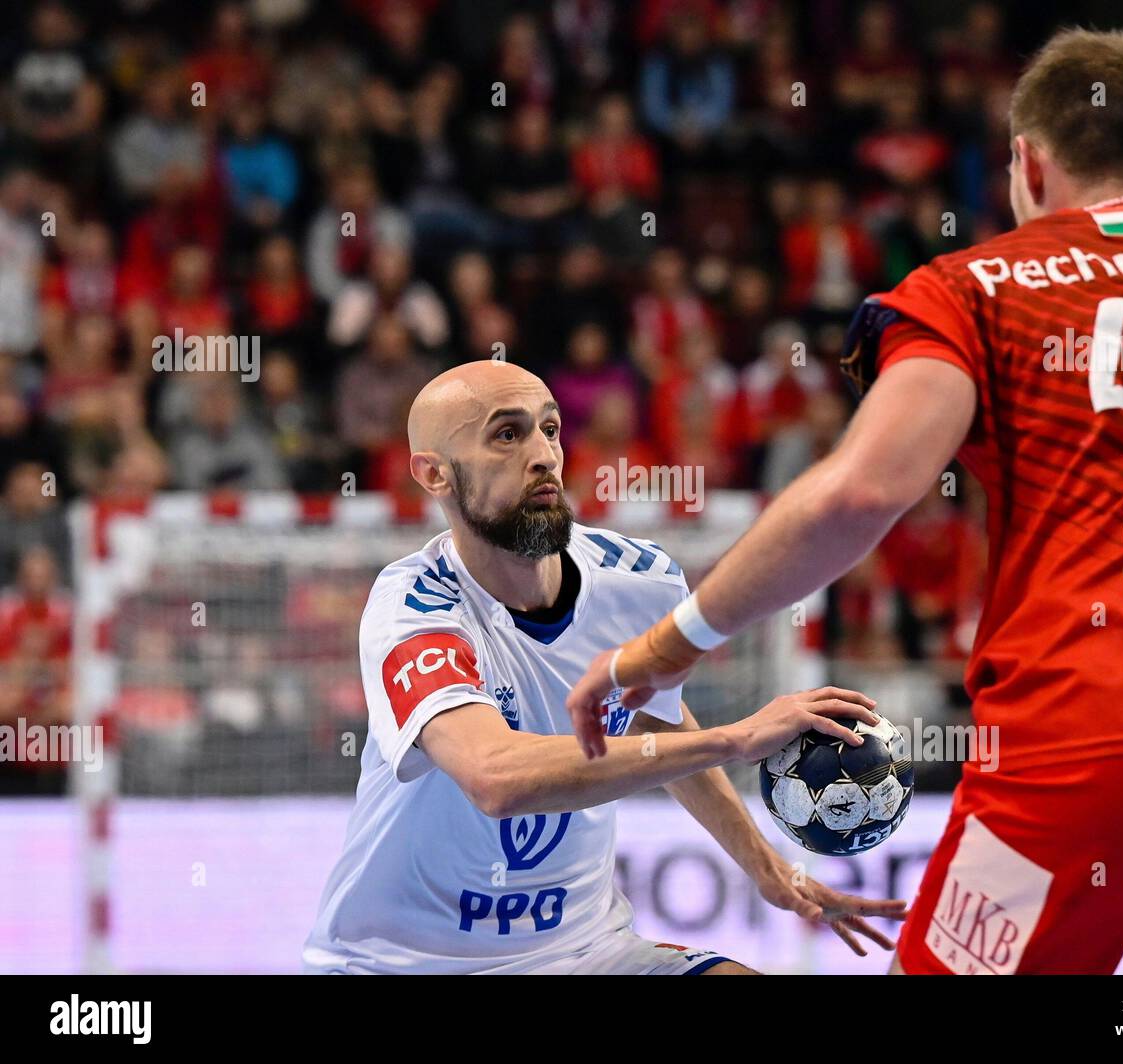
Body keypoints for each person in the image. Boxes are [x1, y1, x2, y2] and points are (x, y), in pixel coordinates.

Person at [567, 29, 1123, 975]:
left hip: (1075, 745)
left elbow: (865, 488)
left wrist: (666, 647)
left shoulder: (978, 285)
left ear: (1026, 166)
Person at [303, 360, 905, 974]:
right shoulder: (414, 606)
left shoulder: (639, 580)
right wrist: (735, 739)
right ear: (434, 474)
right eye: (506, 435)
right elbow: (496, 777)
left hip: (585, 951)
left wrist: (764, 864)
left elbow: (655, 725)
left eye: (551, 429)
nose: (543, 455)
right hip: (401, 963)